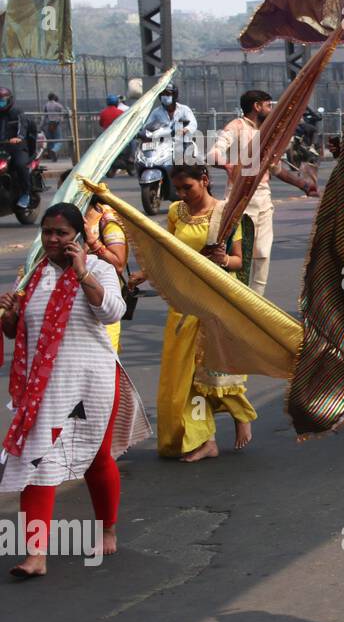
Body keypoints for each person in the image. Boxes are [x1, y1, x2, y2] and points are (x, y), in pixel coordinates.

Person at [1, 204, 150, 578]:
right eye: (47, 232)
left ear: (77, 238)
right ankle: (36, 556)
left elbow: (113, 312)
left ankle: (108, 529)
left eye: (61, 233)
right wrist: (10, 316)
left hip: (92, 382)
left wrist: (83, 273)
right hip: (46, 388)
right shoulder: (32, 276)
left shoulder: (99, 268)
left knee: (97, 460)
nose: (52, 240)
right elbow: (19, 334)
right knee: (37, 464)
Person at [143, 161, 256, 462]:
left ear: (204, 180)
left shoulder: (227, 214)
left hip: (216, 302)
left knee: (215, 370)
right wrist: (145, 272)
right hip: (183, 303)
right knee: (184, 375)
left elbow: (238, 262)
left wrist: (222, 259)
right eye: (177, 189)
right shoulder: (175, 213)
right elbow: (167, 251)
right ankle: (203, 438)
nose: (182, 194)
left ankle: (240, 414)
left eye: (187, 187)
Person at [208, 89, 319, 296]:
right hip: (240, 199)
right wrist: (228, 165)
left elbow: (275, 169)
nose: (271, 109)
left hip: (263, 200)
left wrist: (303, 186)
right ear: (257, 106)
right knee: (241, 254)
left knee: (263, 253)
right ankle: (237, 299)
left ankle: (256, 301)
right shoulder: (236, 127)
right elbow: (213, 153)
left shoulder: (268, 134)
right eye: (268, 105)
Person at [82, 199, 130, 352]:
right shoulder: (63, 219)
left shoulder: (106, 220)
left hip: (102, 301)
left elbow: (118, 265)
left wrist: (93, 243)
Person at [144, 84, 198, 201]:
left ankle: (186, 185)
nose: (165, 97)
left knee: (183, 164)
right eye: (162, 94)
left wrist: (185, 129)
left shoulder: (184, 110)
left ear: (174, 95)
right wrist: (144, 132)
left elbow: (193, 123)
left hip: (182, 141)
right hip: (163, 144)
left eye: (167, 94)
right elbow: (148, 126)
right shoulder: (156, 112)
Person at [0, 86, 39, 210]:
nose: (0, 103)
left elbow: (22, 127)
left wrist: (19, 137)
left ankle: (25, 194)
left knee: (19, 164)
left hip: (17, 147)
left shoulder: (17, 112)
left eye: (2, 100)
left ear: (9, 100)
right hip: (2, 147)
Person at [42, 93, 65, 163]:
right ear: (54, 97)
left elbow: (44, 117)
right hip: (56, 124)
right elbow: (62, 113)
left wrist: (41, 127)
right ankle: (54, 150)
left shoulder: (46, 105)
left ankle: (53, 158)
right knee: (59, 141)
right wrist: (60, 119)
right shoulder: (58, 105)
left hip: (48, 124)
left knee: (51, 141)